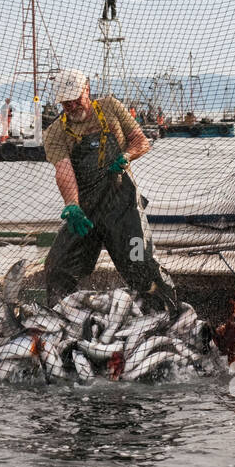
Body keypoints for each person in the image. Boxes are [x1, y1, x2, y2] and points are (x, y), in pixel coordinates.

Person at [42, 69, 177, 309]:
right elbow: (64, 171)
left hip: (123, 207)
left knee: (141, 263)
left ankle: (167, 313)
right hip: (86, 212)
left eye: (76, 99)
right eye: (66, 103)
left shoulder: (111, 107)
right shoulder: (54, 132)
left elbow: (141, 141)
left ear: (88, 90)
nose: (72, 106)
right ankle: (64, 316)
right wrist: (72, 205)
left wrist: (126, 156)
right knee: (57, 266)